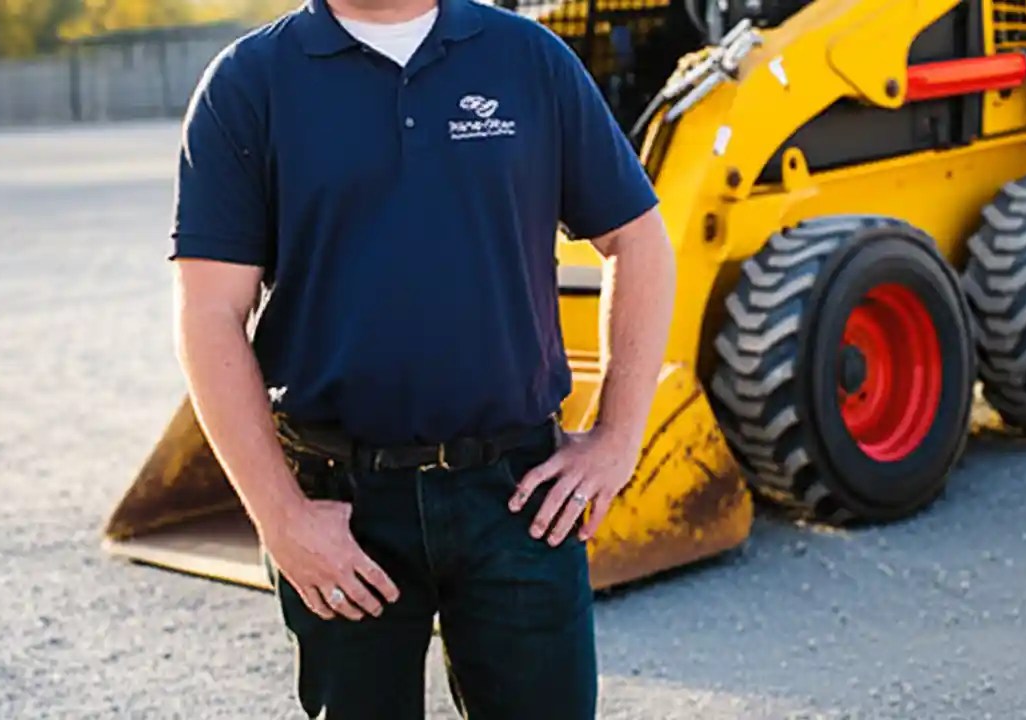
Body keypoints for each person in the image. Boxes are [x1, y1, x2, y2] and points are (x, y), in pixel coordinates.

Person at [169, 0, 677, 715]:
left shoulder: (527, 59)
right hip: (339, 501)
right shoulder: (250, 83)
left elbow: (640, 241)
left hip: (518, 498)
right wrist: (281, 516)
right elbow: (209, 313)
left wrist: (619, 439)